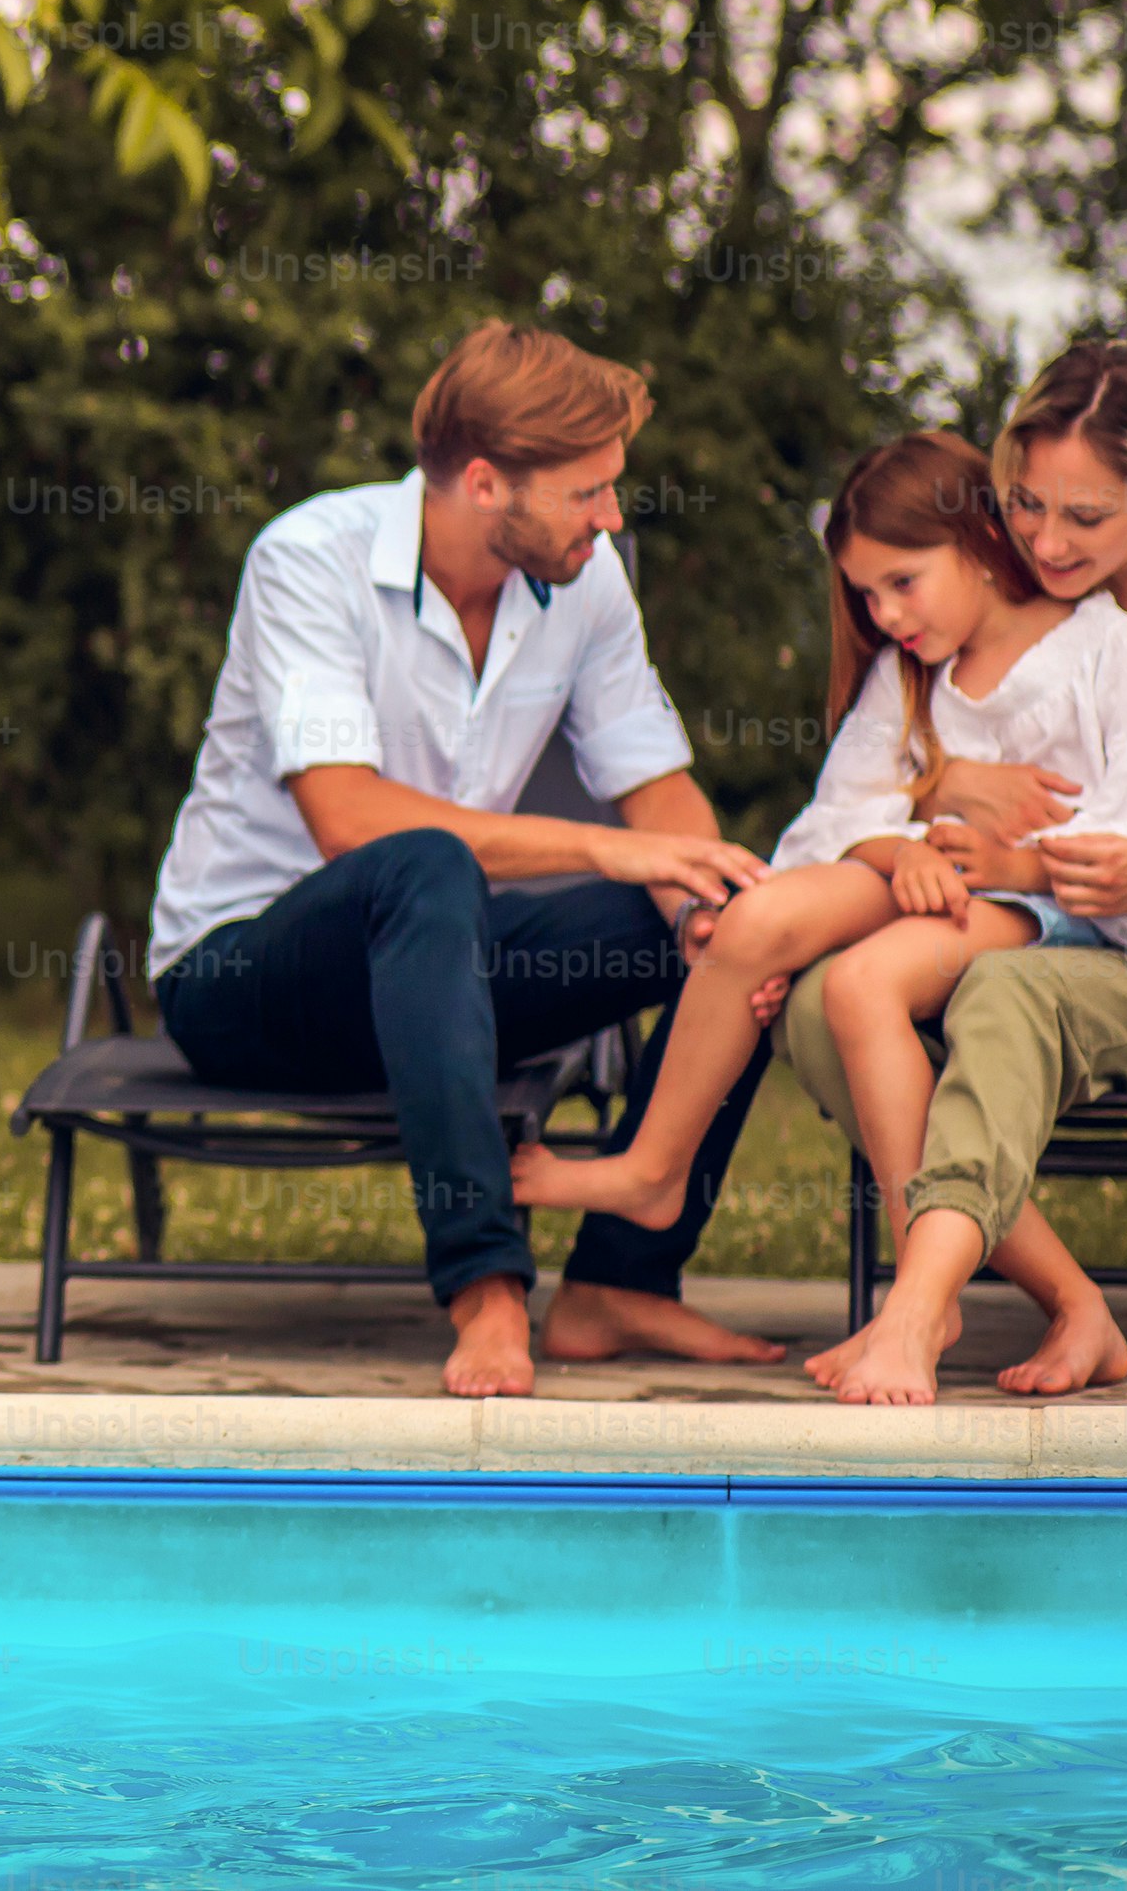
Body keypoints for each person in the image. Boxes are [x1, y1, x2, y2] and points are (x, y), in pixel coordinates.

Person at [145, 321, 788, 1396]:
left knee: (753, 911)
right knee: (427, 860)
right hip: (249, 977)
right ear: (487, 484)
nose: (612, 516)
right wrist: (606, 846)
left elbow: (658, 788)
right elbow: (349, 819)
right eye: (588, 492)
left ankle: (619, 1284)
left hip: (448, 969)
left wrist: (698, 900)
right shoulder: (310, 559)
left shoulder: (584, 583)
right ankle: (487, 1286)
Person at [792, 341, 1127, 1403]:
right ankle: (1074, 1304)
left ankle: (917, 1305)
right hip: (1029, 925)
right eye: (1027, 506)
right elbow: (919, 764)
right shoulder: (1012, 591)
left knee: (1005, 992)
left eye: (1085, 517)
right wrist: (952, 794)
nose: (1047, 539)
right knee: (816, 1006)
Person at [510, 432, 1127, 1233]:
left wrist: (1005, 859)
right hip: (937, 885)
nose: (885, 613)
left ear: (982, 540)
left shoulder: (1102, 646)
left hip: (1053, 909)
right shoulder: (907, 674)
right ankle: (655, 1170)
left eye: (902, 582)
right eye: (867, 594)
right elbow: (833, 815)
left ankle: (915, 1273)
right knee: (754, 916)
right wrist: (903, 847)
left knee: (859, 974)